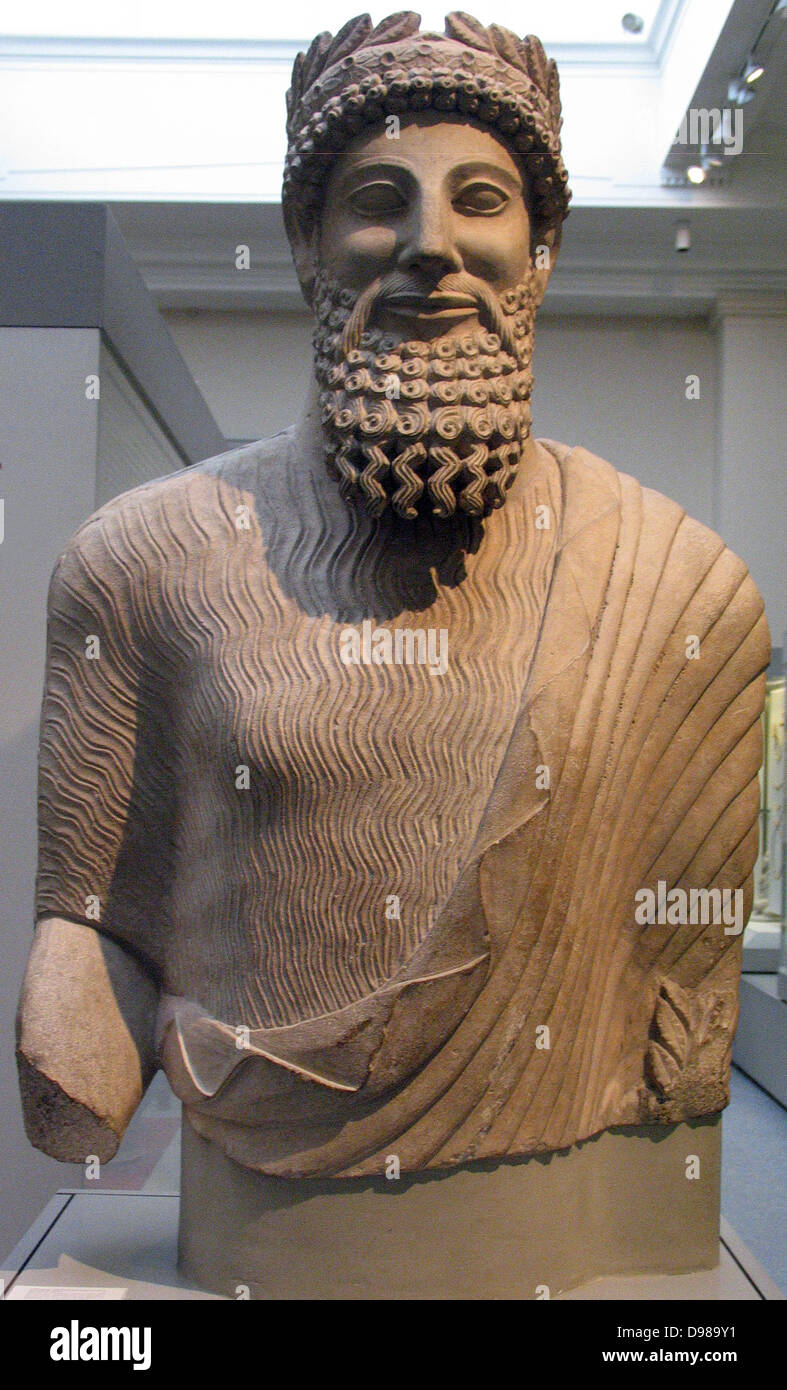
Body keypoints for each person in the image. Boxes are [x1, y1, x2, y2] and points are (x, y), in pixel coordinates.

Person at [18, 13, 769, 1180]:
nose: (432, 245)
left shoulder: (682, 595)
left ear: (543, 248)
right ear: (309, 244)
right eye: (377, 199)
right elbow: (92, 928)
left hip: (577, 1208)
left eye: (481, 199)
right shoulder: (138, 566)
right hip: (247, 1211)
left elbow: (684, 981)